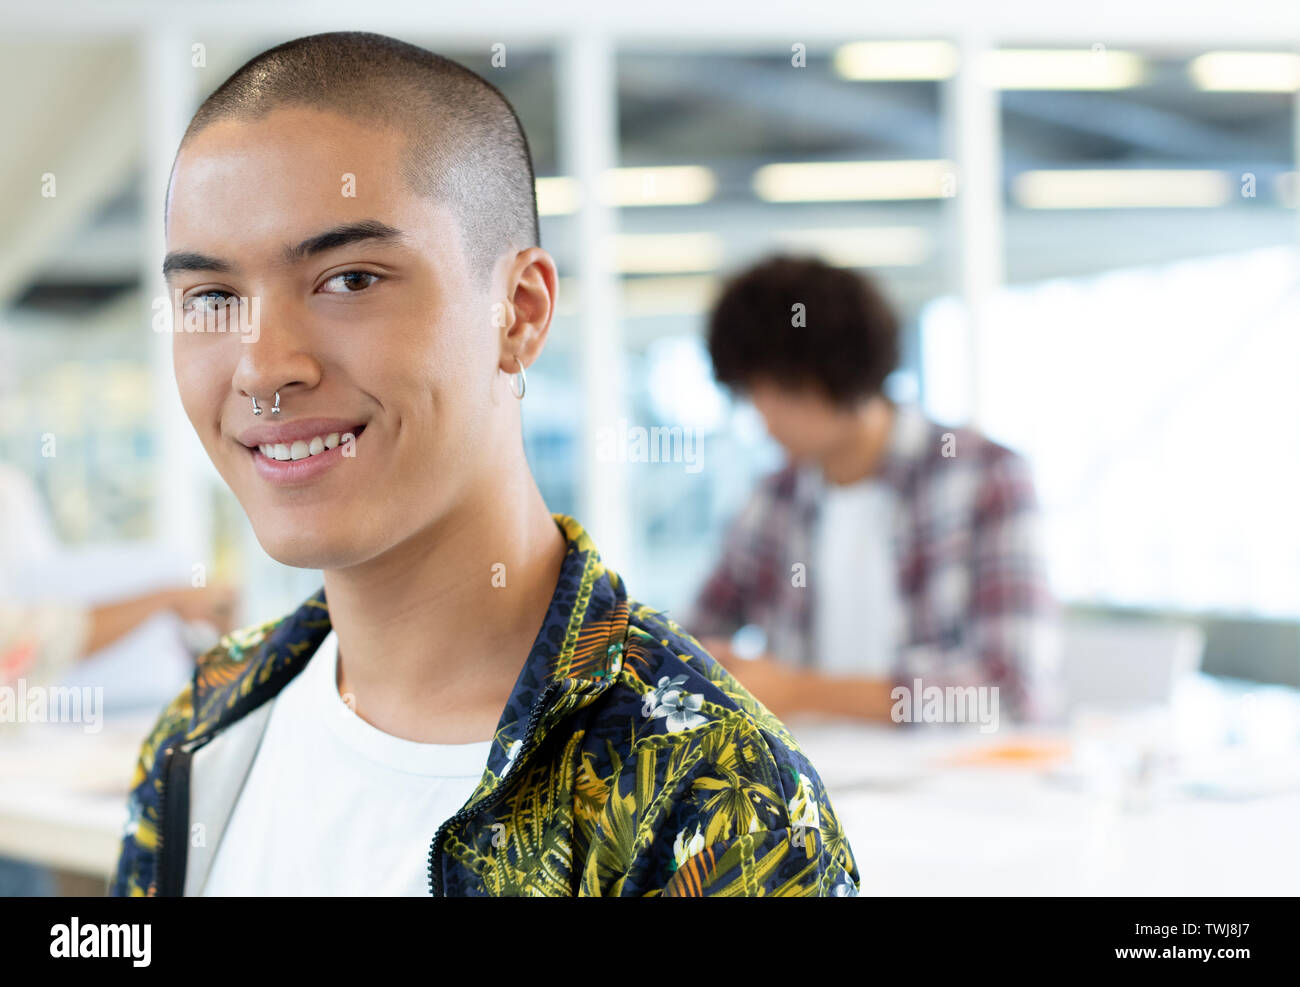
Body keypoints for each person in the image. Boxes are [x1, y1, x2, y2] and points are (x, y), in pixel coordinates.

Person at [109, 33, 858, 897]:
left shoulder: (707, 792)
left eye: (349, 279)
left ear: (520, 312)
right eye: (211, 297)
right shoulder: (207, 718)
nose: (262, 365)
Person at [687, 255, 1063, 728]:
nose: (763, 417)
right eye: (749, 392)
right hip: (806, 786)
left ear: (839, 375)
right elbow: (690, 639)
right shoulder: (775, 499)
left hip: (958, 788)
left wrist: (799, 691)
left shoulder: (984, 478)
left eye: (778, 391)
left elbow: (1009, 694)